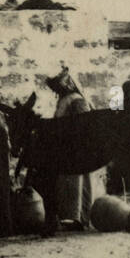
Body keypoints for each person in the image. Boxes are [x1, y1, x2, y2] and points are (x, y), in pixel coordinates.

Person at [47, 66, 93, 229]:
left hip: (76, 147)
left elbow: (84, 124)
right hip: (65, 147)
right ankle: (68, 216)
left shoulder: (77, 100)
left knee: (77, 183)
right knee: (65, 183)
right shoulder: (63, 101)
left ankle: (78, 217)